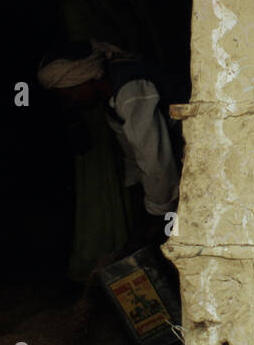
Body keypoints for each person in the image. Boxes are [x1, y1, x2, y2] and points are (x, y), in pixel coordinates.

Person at [37, 41, 180, 267]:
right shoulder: (110, 101)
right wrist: (137, 228)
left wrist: (154, 221)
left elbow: (156, 163)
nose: (70, 104)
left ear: (84, 78)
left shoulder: (129, 90)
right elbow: (134, 160)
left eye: (68, 95)